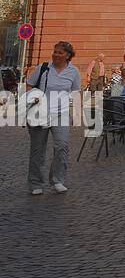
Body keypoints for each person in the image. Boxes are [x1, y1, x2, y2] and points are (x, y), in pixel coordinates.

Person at [25, 40, 81, 195]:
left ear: (68, 56)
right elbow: (29, 84)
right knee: (37, 150)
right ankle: (36, 183)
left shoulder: (73, 71)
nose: (56, 55)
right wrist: (33, 96)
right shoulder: (43, 68)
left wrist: (76, 112)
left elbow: (76, 91)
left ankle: (58, 180)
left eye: (60, 52)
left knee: (62, 146)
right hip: (39, 113)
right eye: (55, 51)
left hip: (61, 114)